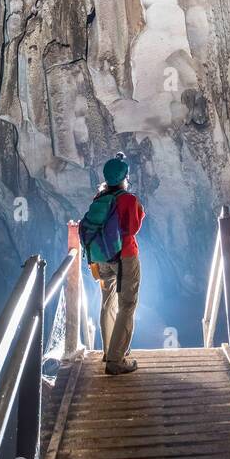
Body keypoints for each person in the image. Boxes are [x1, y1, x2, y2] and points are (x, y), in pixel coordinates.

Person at [91, 155, 145, 375]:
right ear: (125, 178)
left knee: (107, 303)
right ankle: (116, 360)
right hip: (124, 256)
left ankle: (108, 351)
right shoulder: (128, 200)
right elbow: (132, 228)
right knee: (127, 304)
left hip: (102, 258)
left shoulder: (99, 198)